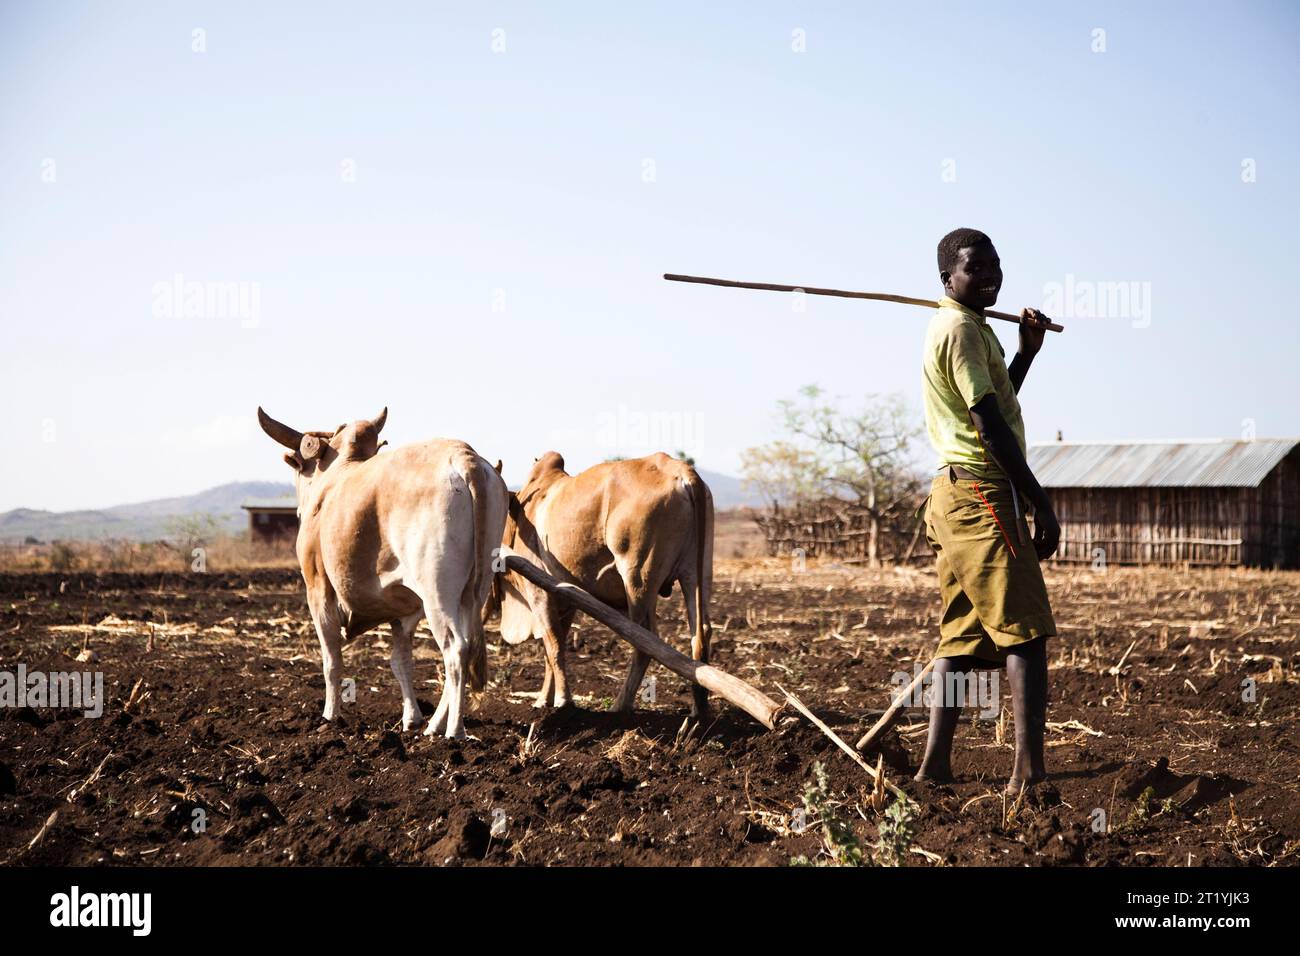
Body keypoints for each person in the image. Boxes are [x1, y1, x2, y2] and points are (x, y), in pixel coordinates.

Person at [915, 227, 1060, 796]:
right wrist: (1038, 500)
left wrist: (1024, 354)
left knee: (960, 639)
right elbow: (990, 427)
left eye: (996, 265)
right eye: (975, 268)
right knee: (1024, 634)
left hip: (956, 495)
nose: (991, 276)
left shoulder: (970, 328)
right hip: (979, 494)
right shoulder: (960, 329)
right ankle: (1028, 774)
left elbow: (995, 405)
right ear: (947, 277)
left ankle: (933, 766)